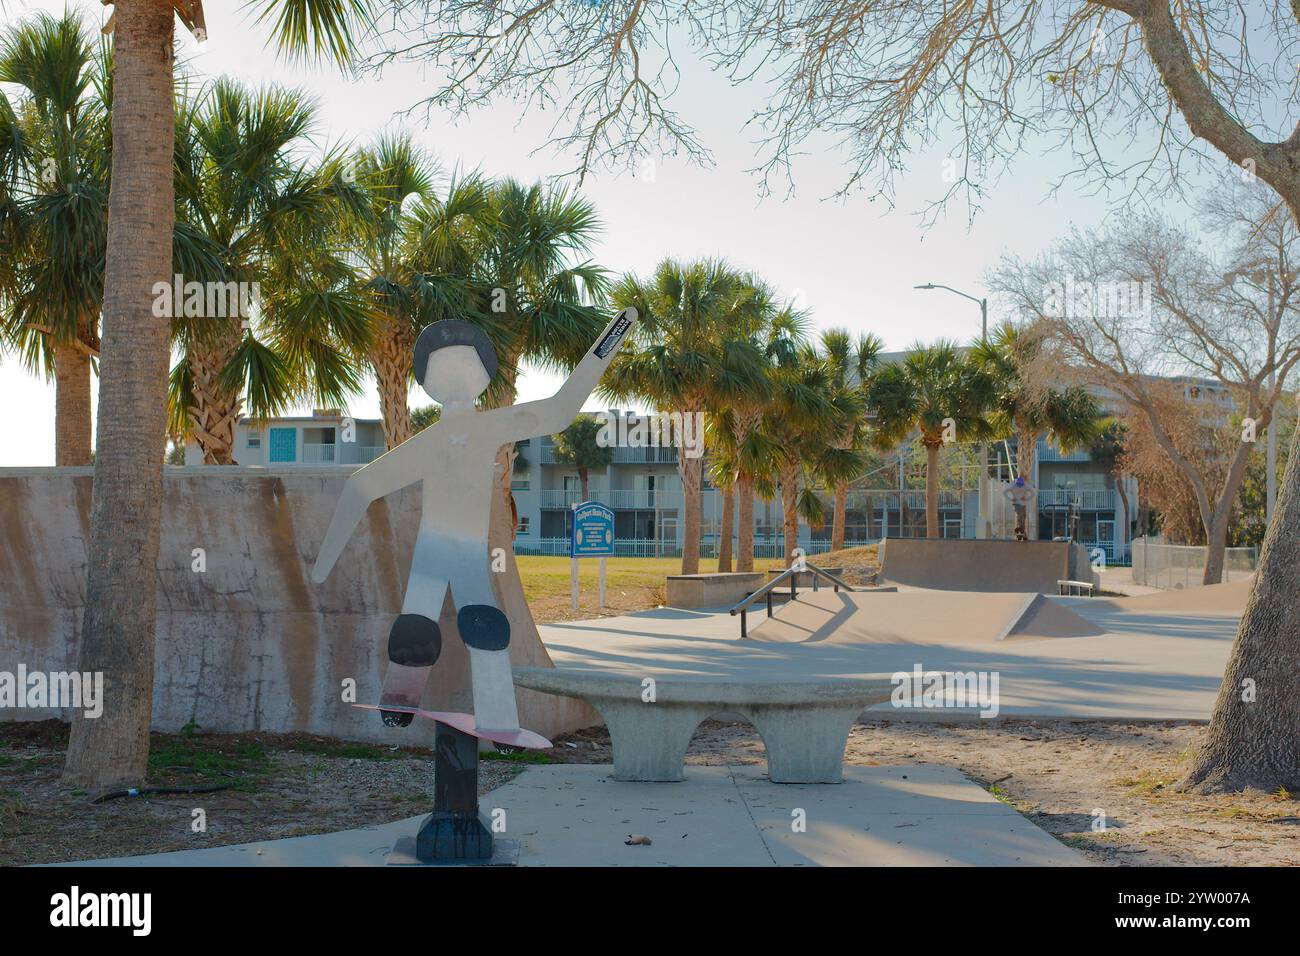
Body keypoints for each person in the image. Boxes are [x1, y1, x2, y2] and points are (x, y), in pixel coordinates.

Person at [311, 308, 637, 734]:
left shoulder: (489, 427)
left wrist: (608, 342)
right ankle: (400, 702)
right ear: (425, 382)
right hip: (433, 548)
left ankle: (498, 721)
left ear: (485, 373)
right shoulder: (429, 442)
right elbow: (363, 486)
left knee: (484, 629)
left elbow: (559, 409)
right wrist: (322, 563)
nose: (453, 373)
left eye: (464, 363)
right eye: (441, 366)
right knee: (415, 629)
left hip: (466, 552)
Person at [1002, 474, 1036, 542]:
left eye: (1020, 485)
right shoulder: (1014, 486)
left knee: (1023, 518)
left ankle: (1023, 533)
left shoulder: (1024, 486)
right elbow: (1004, 492)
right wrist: (1011, 498)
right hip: (1017, 504)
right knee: (1019, 516)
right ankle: (1020, 531)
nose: (1020, 486)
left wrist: (1026, 498)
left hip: (1023, 504)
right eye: (1019, 485)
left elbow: (1033, 493)